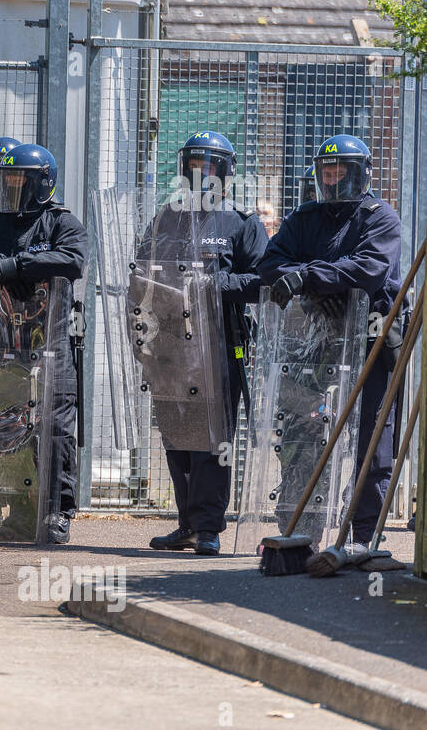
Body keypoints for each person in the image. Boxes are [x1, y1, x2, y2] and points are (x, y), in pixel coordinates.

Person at [259, 134, 401, 555]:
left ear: (360, 173)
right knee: (303, 426)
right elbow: (271, 263)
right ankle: (298, 525)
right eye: (326, 171)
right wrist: (303, 274)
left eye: (341, 171)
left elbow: (368, 269)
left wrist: (307, 276)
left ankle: (363, 536)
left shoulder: (379, 216)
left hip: (371, 337)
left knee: (371, 437)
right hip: (313, 340)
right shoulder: (304, 217)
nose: (333, 178)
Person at [0, 142, 86, 543]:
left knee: (56, 428)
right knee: (11, 427)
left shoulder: (62, 222)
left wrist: (17, 265)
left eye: (19, 181)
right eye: (6, 180)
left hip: (51, 343)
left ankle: (58, 511)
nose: (10, 187)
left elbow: (72, 261)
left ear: (42, 184)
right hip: (3, 345)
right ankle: (20, 512)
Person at [145, 131, 267, 556]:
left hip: (218, 345)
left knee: (212, 440)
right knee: (177, 436)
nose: (202, 173)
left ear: (226, 172)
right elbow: (142, 270)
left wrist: (213, 284)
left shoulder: (241, 221)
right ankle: (187, 524)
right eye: (195, 165)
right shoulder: (166, 217)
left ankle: (209, 526)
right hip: (168, 346)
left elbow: (261, 280)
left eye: (211, 166)